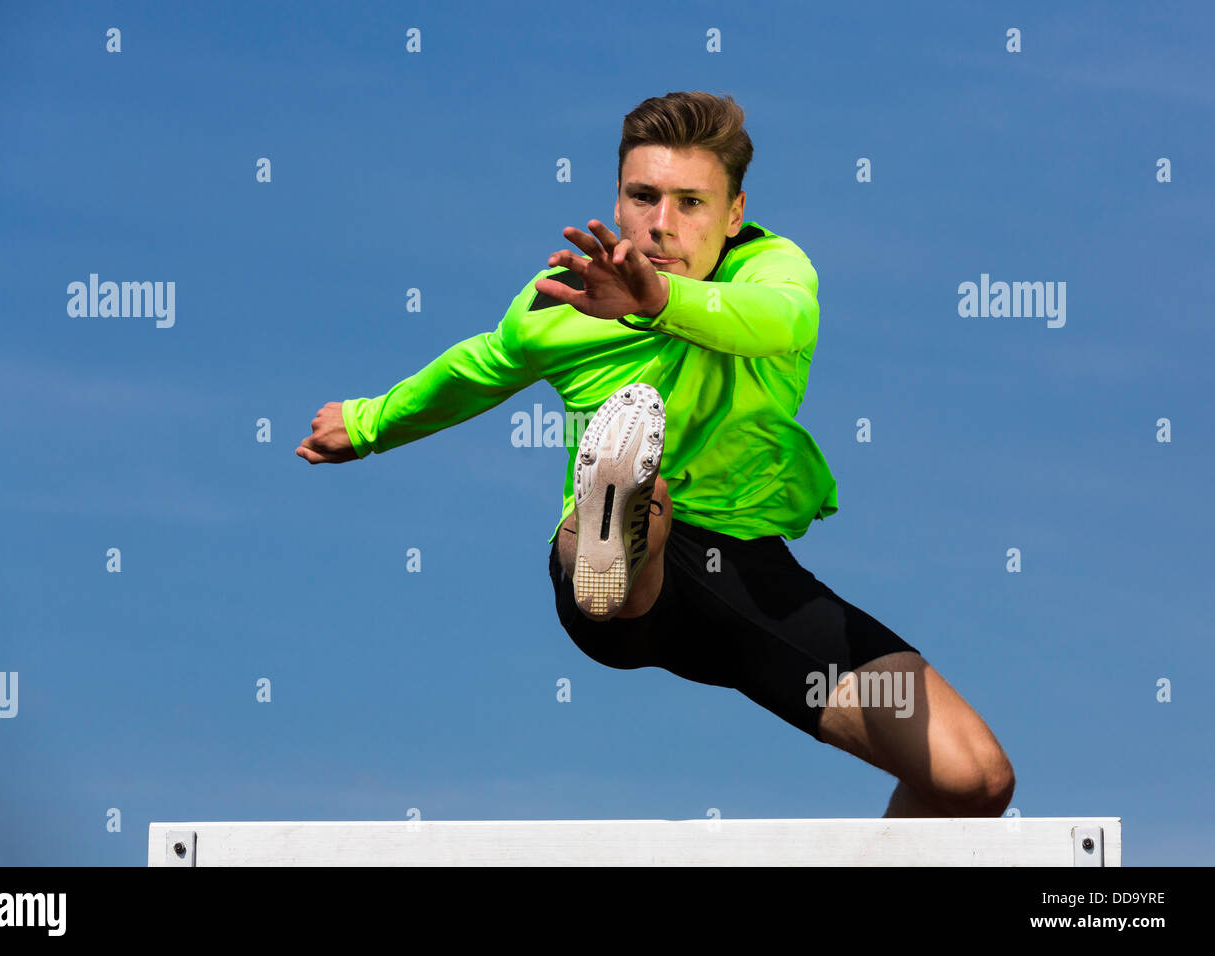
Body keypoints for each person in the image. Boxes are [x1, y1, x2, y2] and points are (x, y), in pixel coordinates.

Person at [298, 91, 1015, 818]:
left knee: (974, 778)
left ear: (734, 213)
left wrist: (658, 301)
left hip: (751, 585)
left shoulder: (770, 269)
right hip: (622, 585)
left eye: (691, 203)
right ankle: (618, 526)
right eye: (642, 197)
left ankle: (628, 518)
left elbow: (782, 321)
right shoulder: (563, 301)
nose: (661, 223)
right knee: (645, 510)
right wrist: (366, 423)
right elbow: (476, 368)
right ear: (618, 196)